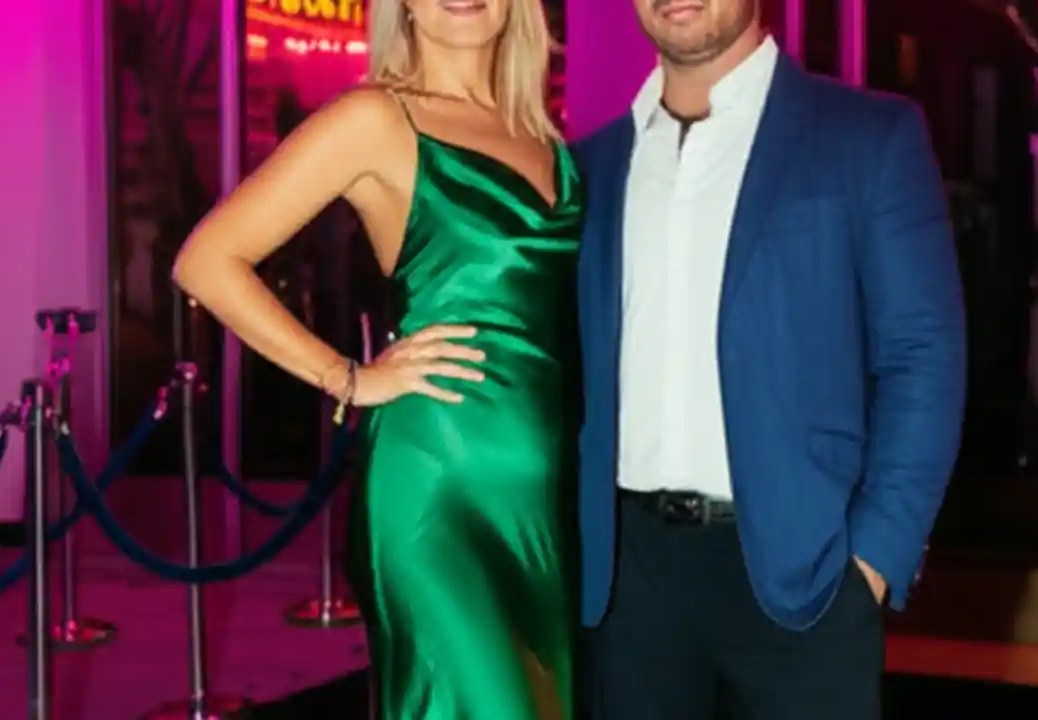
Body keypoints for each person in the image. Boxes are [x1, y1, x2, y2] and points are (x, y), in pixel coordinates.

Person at [172, 0, 580, 716]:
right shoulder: (375, 118)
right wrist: (349, 378)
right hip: (438, 487)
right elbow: (206, 261)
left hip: (538, 499)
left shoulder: (538, 130)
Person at [573, 2, 966, 718]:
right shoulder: (589, 167)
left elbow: (923, 358)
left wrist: (874, 561)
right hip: (630, 593)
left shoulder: (868, 138)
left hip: (808, 579)